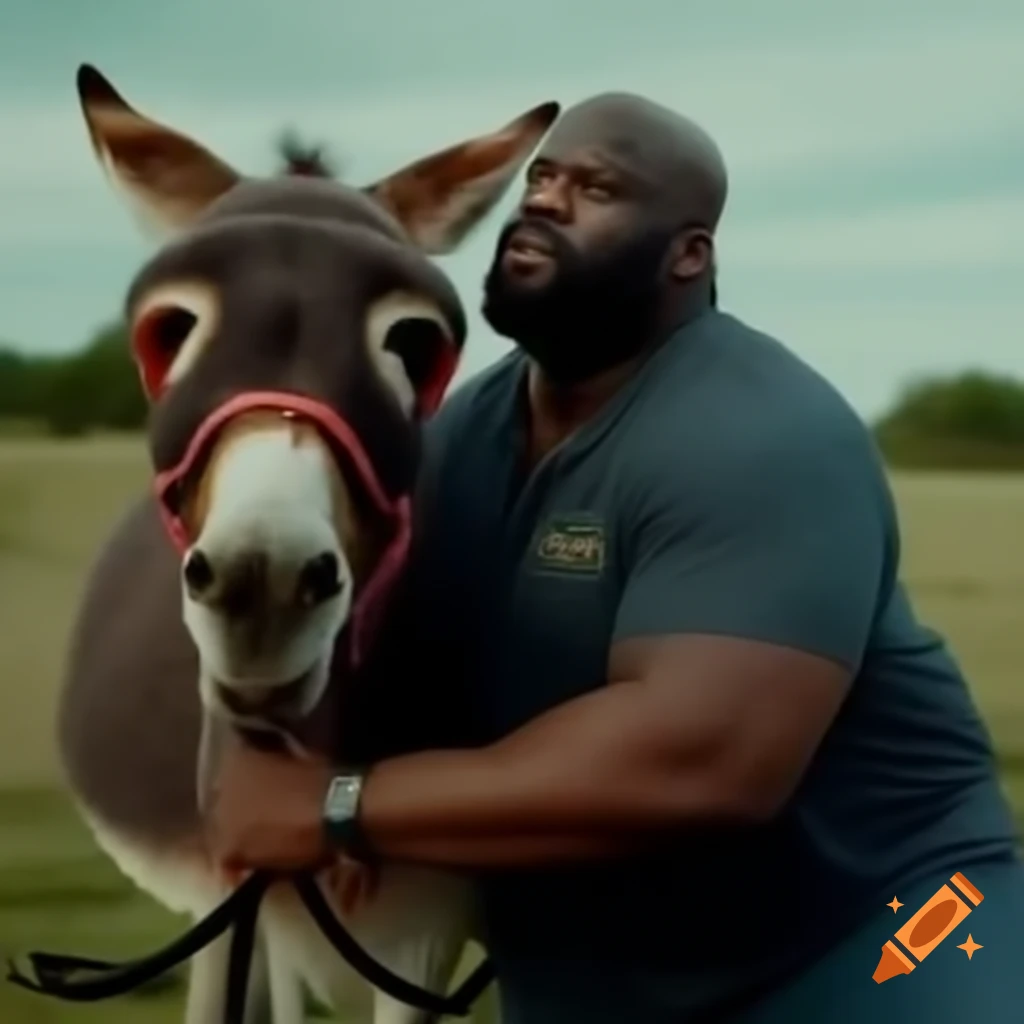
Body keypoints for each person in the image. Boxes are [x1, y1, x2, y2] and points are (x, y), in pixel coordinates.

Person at [207, 93, 1024, 1023]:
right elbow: (378, 658)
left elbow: (699, 764)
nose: (544, 199)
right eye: (542, 176)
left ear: (688, 255)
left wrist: (341, 805)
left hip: (886, 937)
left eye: (596, 189)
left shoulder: (760, 435)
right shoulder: (458, 439)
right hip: (601, 978)